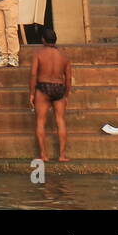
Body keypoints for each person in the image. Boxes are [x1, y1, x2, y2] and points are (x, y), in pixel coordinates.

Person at [29, 27, 72, 162]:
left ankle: (43, 155)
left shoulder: (38, 54)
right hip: (59, 88)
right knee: (61, 121)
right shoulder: (64, 57)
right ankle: (62, 155)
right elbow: (69, 78)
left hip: (43, 87)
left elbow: (34, 74)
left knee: (41, 122)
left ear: (43, 40)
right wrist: (66, 95)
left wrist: (31, 93)